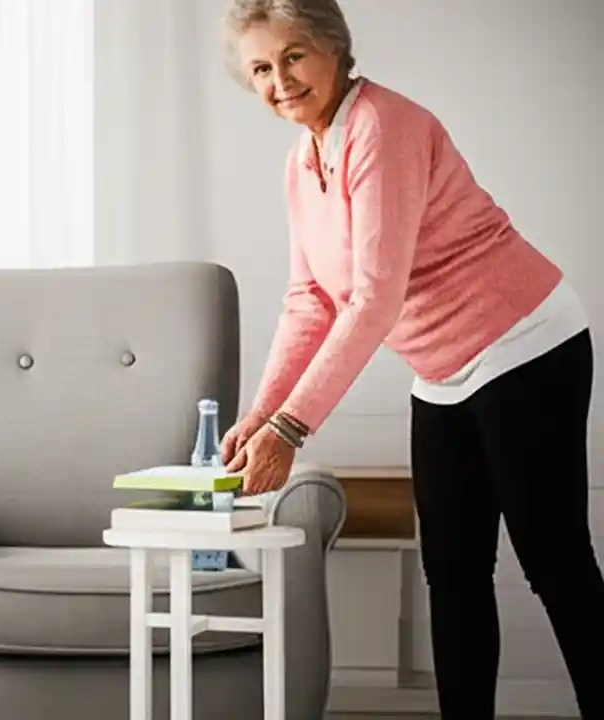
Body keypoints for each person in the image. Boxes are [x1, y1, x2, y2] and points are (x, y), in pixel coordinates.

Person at [214, 0, 602, 717]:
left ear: (333, 47)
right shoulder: (304, 161)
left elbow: (374, 298)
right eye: (262, 68)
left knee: (556, 564)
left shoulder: (381, 126)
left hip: (524, 344)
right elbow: (309, 299)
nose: (281, 80)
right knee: (452, 574)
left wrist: (293, 428)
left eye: (294, 55)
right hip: (443, 371)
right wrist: (262, 412)